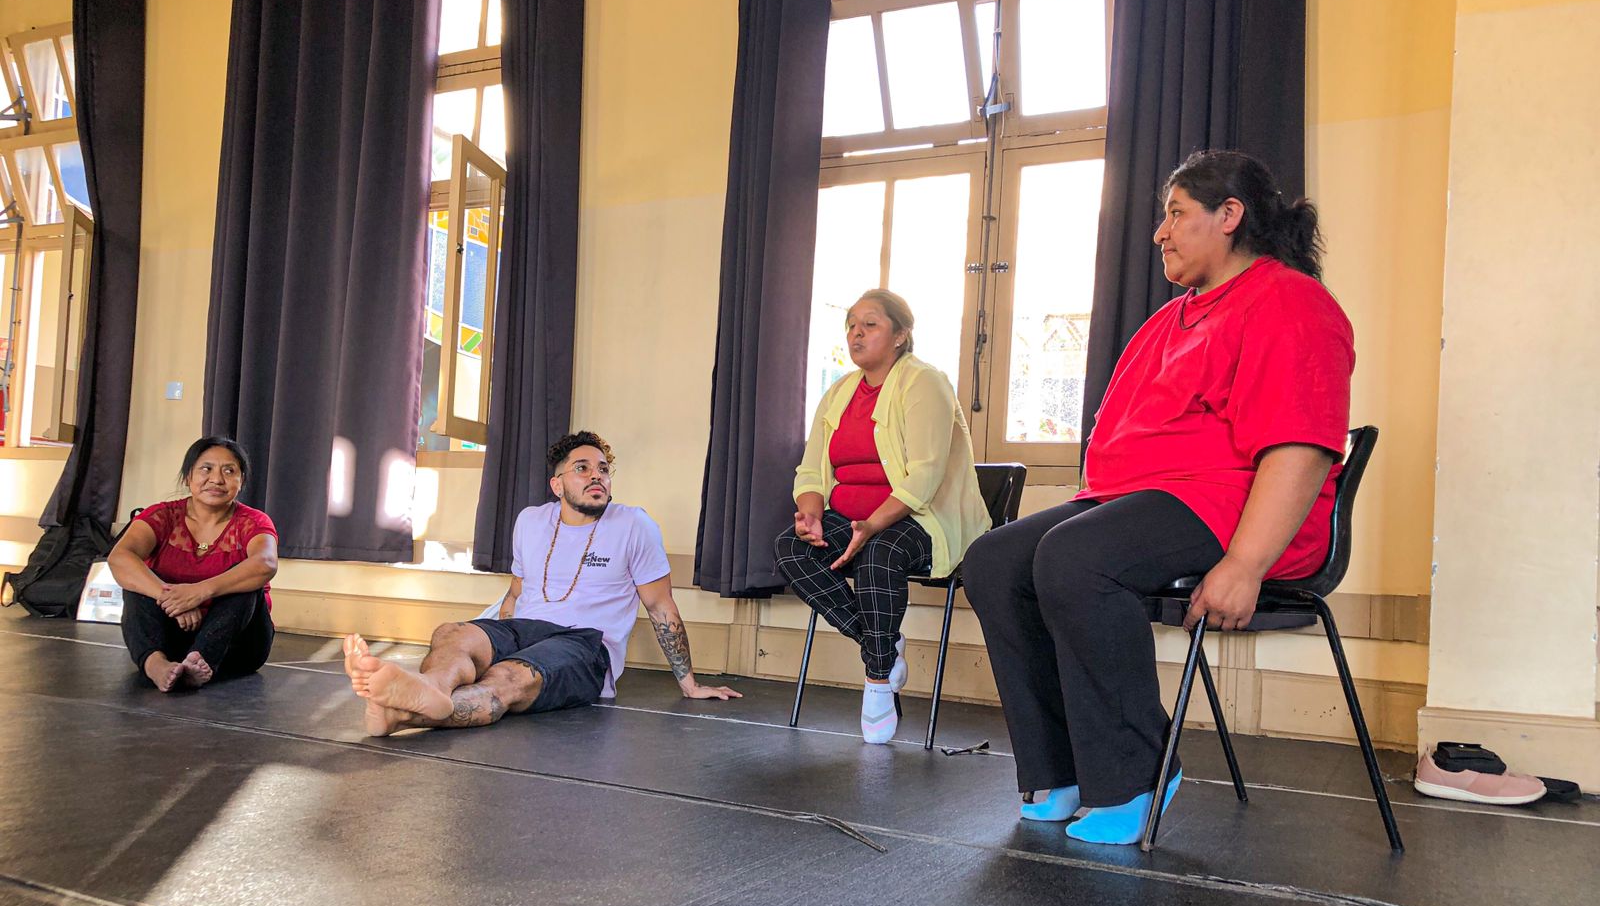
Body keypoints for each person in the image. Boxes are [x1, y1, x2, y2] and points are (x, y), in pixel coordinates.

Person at [964, 150, 1355, 845]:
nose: (1160, 232)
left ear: (1229, 215)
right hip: (1145, 500)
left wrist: (1246, 564)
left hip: (1238, 508)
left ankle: (1136, 774)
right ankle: (1066, 767)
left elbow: (1300, 447)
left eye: (1176, 213)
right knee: (995, 560)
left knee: (1076, 557)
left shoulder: (1289, 301)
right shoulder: (1169, 321)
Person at [343, 430, 741, 736]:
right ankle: (420, 695)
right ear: (557, 484)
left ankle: (409, 713)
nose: (596, 475)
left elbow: (660, 605)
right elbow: (516, 593)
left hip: (585, 642)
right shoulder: (530, 521)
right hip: (525, 628)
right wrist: (487, 643)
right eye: (582, 468)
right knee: (452, 633)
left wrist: (689, 684)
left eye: (603, 469)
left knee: (509, 679)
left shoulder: (634, 524)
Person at [775, 289, 990, 744]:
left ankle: (876, 680)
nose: (856, 333)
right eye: (851, 325)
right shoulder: (838, 393)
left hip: (924, 519)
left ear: (900, 335)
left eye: (870, 324)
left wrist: (871, 524)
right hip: (851, 517)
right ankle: (884, 647)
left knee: (879, 551)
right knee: (790, 547)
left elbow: (925, 474)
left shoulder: (924, 382)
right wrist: (811, 514)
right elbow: (811, 470)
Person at [108, 436, 279, 691]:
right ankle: (155, 665)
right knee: (138, 581)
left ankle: (201, 661)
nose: (217, 479)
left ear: (241, 481)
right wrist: (172, 599)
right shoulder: (162, 515)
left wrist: (199, 592)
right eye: (206, 469)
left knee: (246, 583)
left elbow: (265, 562)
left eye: (229, 471)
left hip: (237, 644)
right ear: (188, 477)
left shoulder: (254, 521)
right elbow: (119, 558)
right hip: (172, 635)